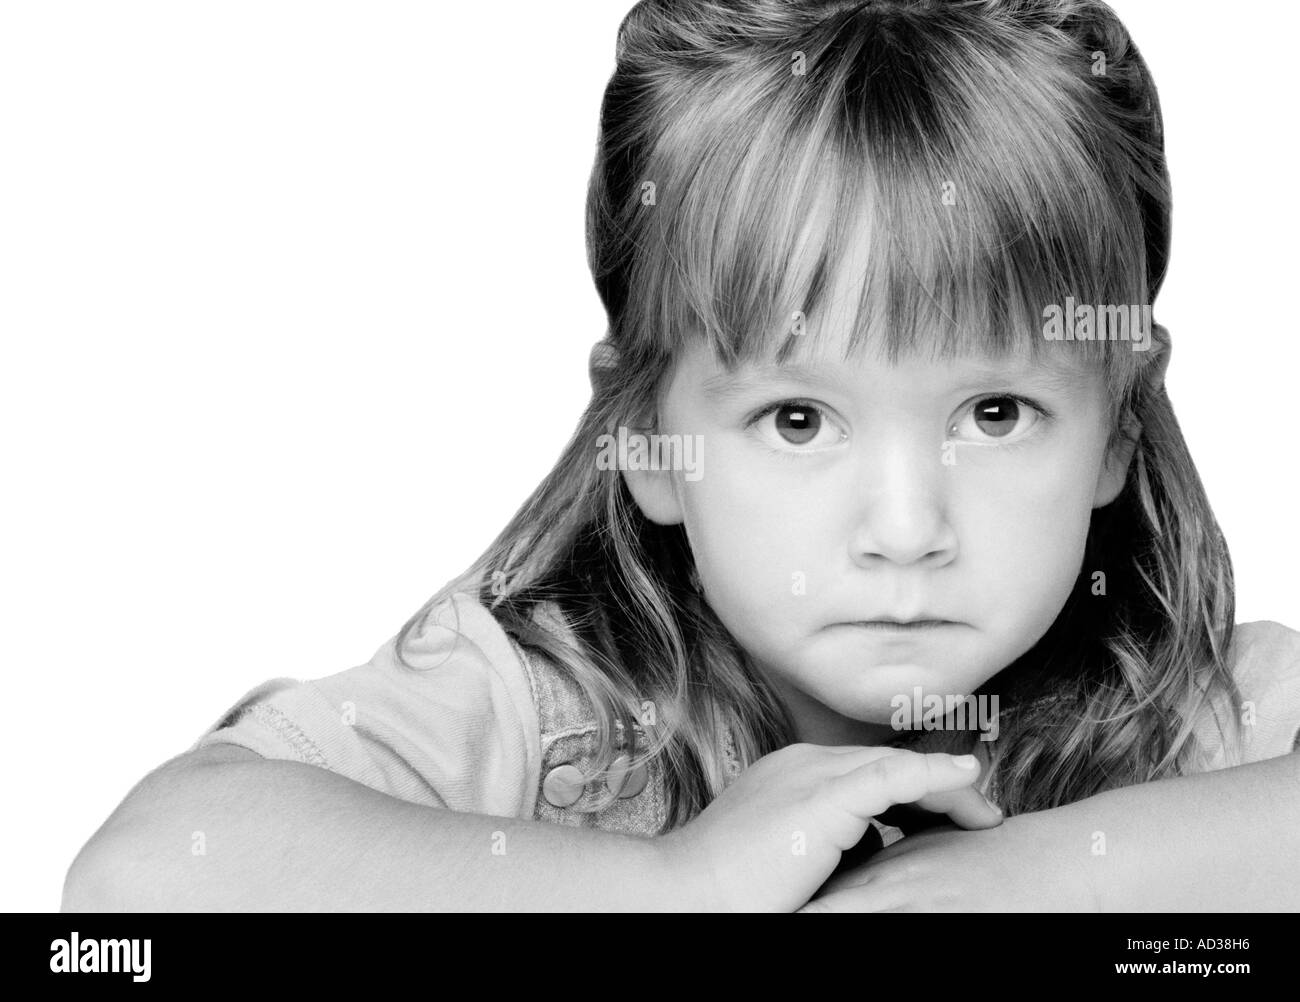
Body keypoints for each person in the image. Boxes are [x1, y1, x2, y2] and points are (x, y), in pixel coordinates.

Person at [63, 0, 1300, 913]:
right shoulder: (540, 708)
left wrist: (1007, 884)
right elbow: (138, 881)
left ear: (1117, 434)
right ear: (644, 440)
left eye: (993, 414)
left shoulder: (1206, 706)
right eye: (798, 420)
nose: (908, 526)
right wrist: (677, 881)